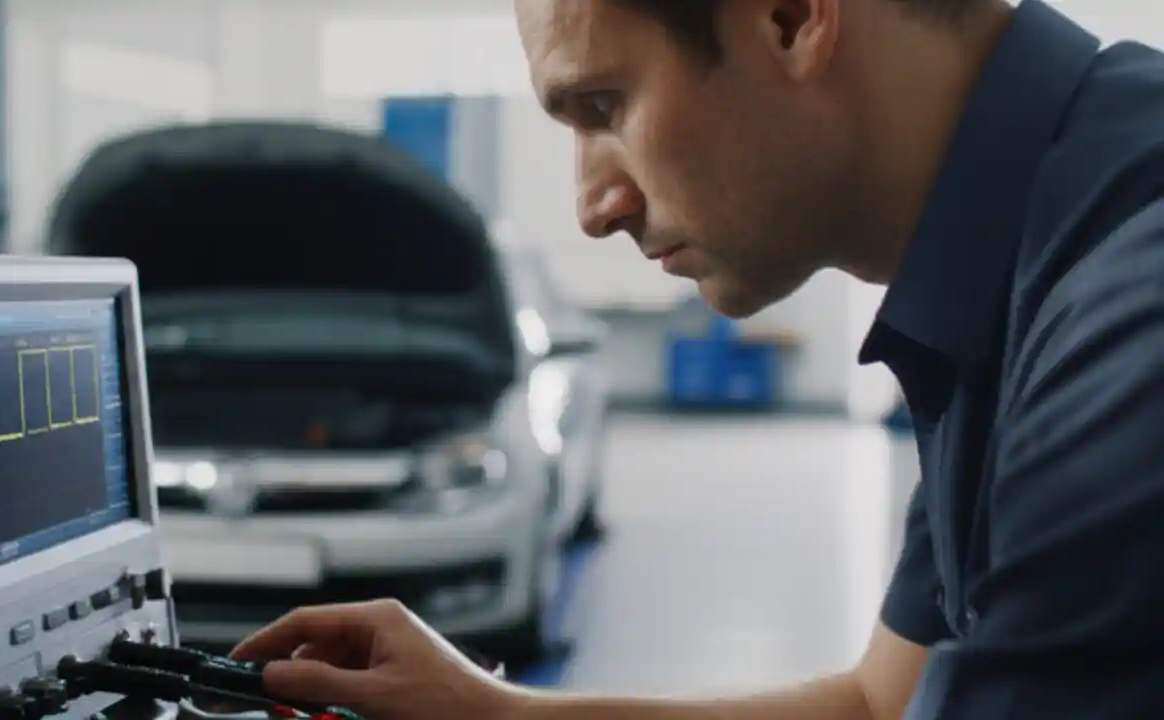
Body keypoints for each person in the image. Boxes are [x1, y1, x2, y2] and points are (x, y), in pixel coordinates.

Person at [230, 0, 1164, 717]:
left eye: (605, 105)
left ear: (790, 18)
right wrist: (489, 711)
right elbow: (880, 705)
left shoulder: (1130, 344)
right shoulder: (1019, 273)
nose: (594, 205)